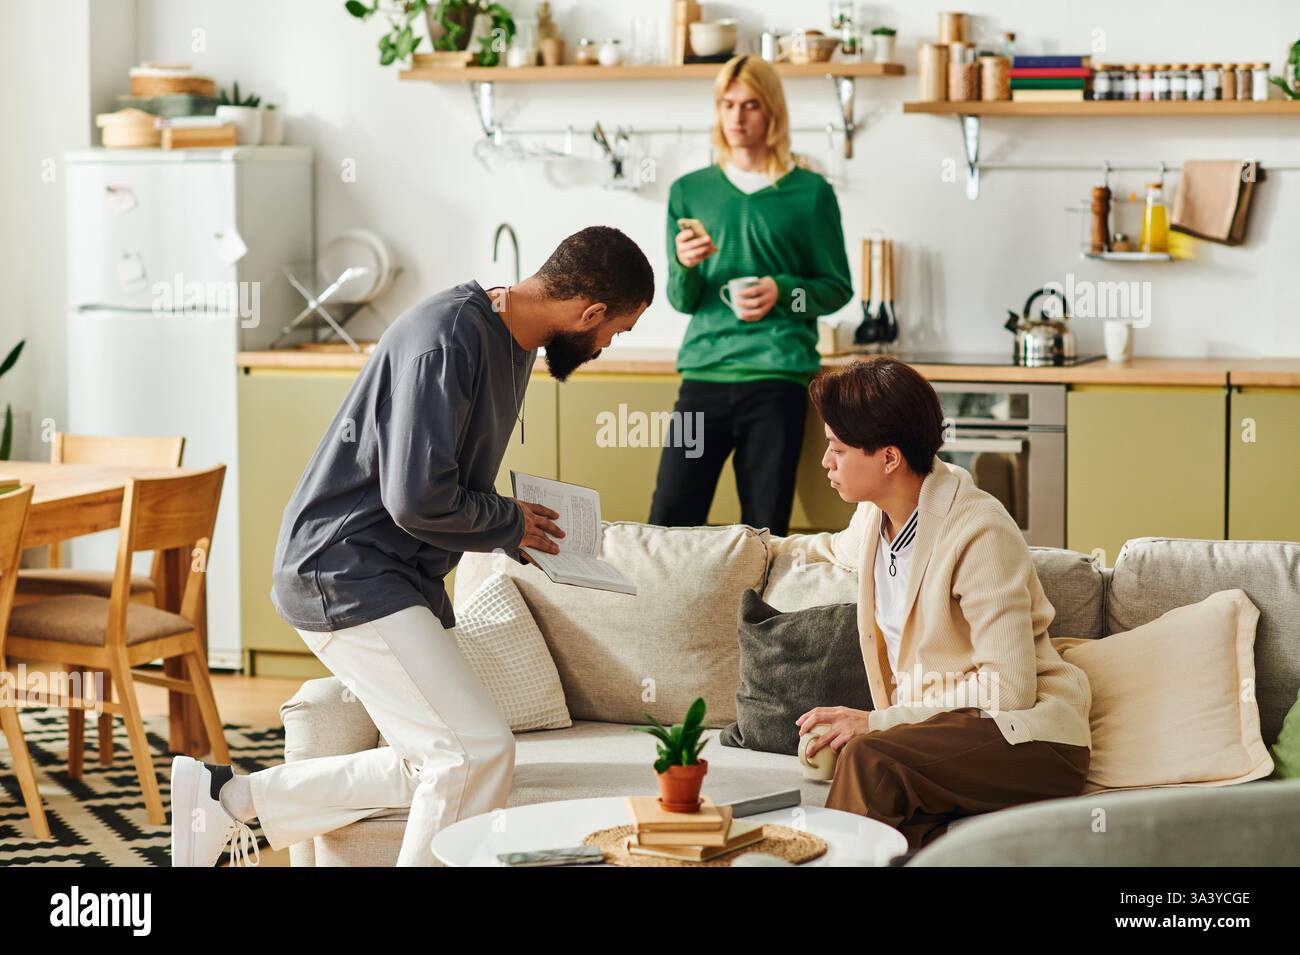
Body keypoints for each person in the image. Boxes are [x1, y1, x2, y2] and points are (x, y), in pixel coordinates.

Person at [169, 226, 654, 867]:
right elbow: (417, 498)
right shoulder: (449, 336)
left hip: (395, 575)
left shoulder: (510, 343)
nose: (604, 345)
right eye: (613, 331)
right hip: (344, 568)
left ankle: (229, 802)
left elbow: (443, 488)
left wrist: (517, 531)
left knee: (427, 760)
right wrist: (508, 523)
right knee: (474, 751)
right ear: (590, 313)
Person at [775, 357, 1093, 851]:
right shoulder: (874, 519)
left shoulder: (979, 531)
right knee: (897, 832)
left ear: (888, 458)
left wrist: (878, 722)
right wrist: (746, 546)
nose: (825, 462)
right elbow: (826, 549)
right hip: (938, 740)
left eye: (837, 449)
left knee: (870, 758)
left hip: (1031, 739)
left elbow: (1009, 689)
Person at [648, 54, 853, 537]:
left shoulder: (810, 194)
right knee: (668, 519)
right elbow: (683, 300)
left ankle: (757, 616)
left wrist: (783, 293)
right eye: (727, 104)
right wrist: (684, 264)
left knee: (765, 529)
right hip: (703, 374)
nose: (737, 117)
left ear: (772, 113)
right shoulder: (689, 191)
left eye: (750, 105)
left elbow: (834, 290)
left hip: (775, 377)